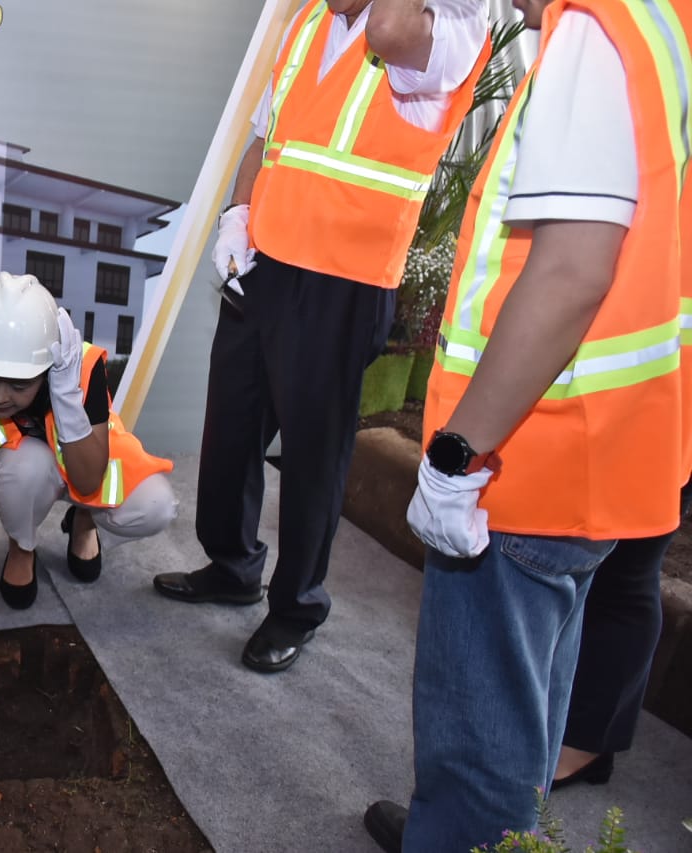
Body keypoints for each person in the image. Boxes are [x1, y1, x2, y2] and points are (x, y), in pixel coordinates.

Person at [363, 0, 692, 845]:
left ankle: (464, 827)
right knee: (527, 714)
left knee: (478, 752)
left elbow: (573, 269)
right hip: (603, 452)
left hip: (524, 459)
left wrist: (456, 454)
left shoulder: (598, 31)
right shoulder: (665, 29)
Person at [152, 0, 490, 674]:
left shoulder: (446, 31)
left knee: (312, 455)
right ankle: (232, 564)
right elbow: (265, 137)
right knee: (231, 427)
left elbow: (389, 32)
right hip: (266, 260)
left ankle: (296, 605)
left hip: (345, 280)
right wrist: (237, 215)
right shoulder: (309, 20)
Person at [0, 272, 177, 683]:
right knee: (24, 467)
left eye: (18, 383)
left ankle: (83, 522)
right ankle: (23, 545)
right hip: (28, 473)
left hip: (87, 463)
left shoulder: (80, 370)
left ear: (45, 367)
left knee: (156, 506)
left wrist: (68, 400)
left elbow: (88, 480)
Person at [552, 478, 692, 790]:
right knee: (605, 567)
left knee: (626, 571)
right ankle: (571, 728)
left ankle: (585, 744)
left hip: (663, 443)